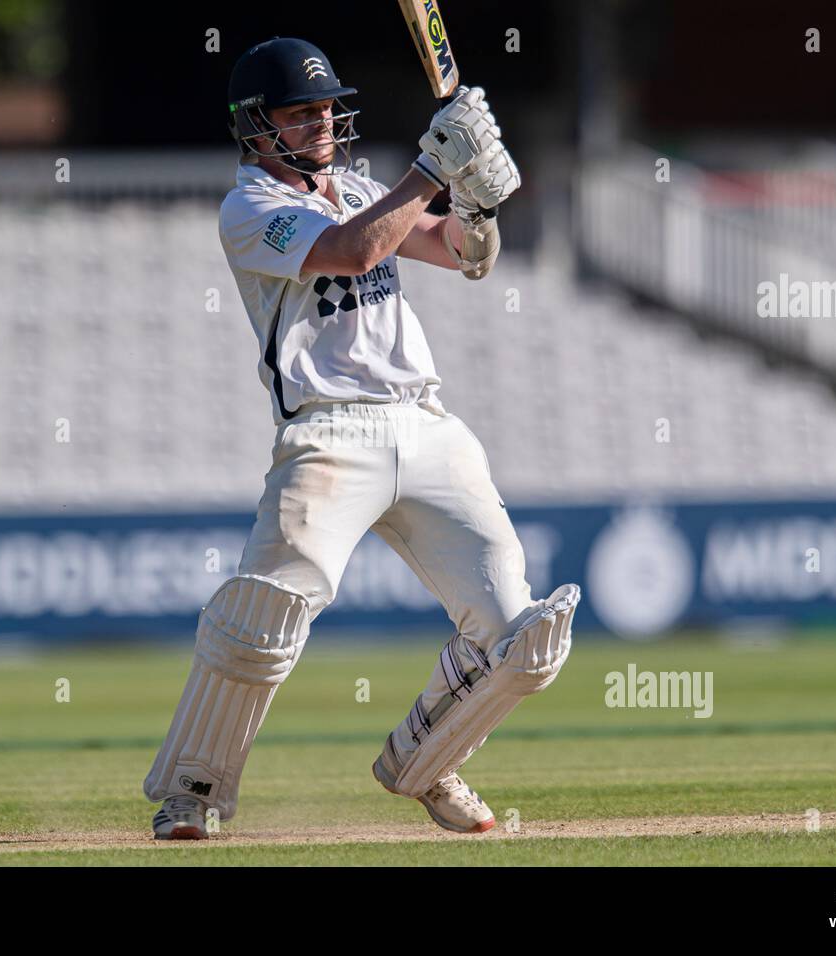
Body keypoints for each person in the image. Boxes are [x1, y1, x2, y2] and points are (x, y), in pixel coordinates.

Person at [144, 36, 579, 839]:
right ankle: (193, 794)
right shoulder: (250, 210)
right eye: (298, 115)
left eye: (323, 111)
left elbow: (461, 255)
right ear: (255, 126)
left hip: (425, 422)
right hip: (329, 435)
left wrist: (477, 203)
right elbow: (352, 250)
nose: (318, 126)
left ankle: (427, 762)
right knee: (264, 615)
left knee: (525, 636)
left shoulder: (356, 185)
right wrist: (433, 168)